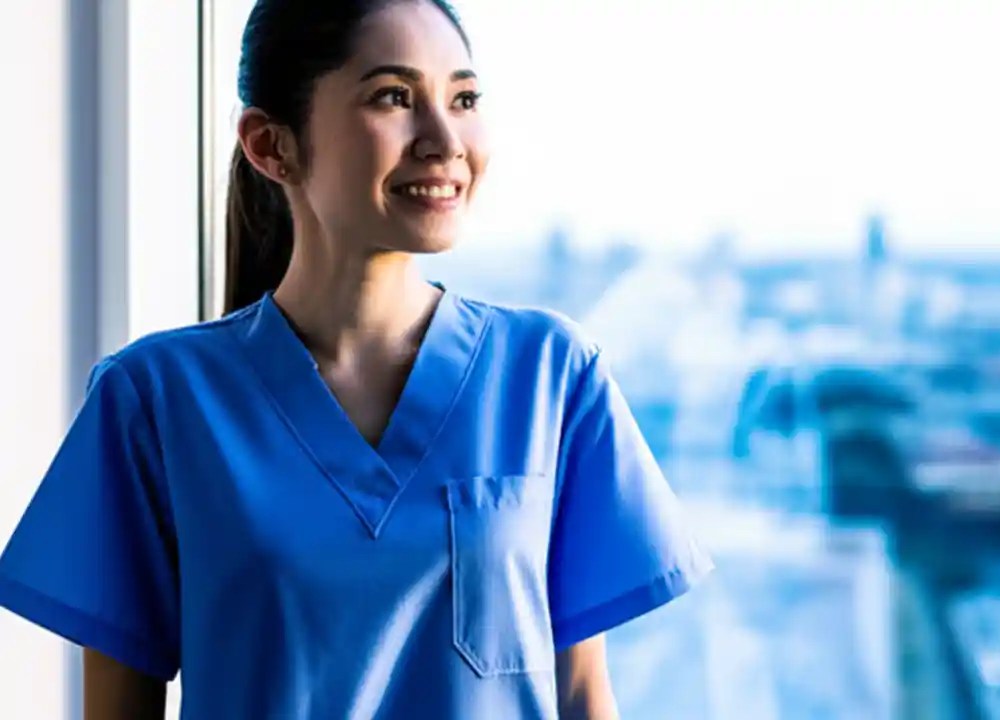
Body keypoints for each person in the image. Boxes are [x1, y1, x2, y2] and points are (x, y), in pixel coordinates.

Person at [0, 1, 714, 717]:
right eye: (394, 98)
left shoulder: (552, 377)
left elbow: (584, 695)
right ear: (271, 146)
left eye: (463, 99)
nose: (443, 139)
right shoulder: (154, 401)